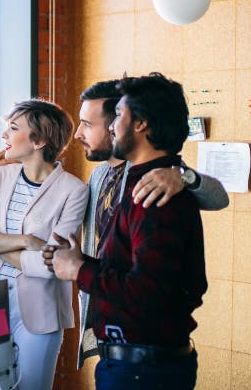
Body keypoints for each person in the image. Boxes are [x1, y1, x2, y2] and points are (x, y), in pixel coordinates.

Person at [50, 73, 207, 390]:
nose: (106, 125)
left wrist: (78, 271)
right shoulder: (119, 179)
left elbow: (147, 291)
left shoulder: (159, 191)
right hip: (139, 364)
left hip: (142, 370)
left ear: (140, 124)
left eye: (115, 114)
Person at [43, 79, 228, 368]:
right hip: (111, 319)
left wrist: (183, 175)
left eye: (87, 124)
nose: (78, 134)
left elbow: (219, 197)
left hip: (143, 337)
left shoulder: (158, 177)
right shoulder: (98, 176)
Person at [0, 99, 88, 390]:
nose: (5, 134)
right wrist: (26, 240)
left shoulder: (74, 191)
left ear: (39, 140)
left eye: (14, 128)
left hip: (41, 311)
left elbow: (51, 266)